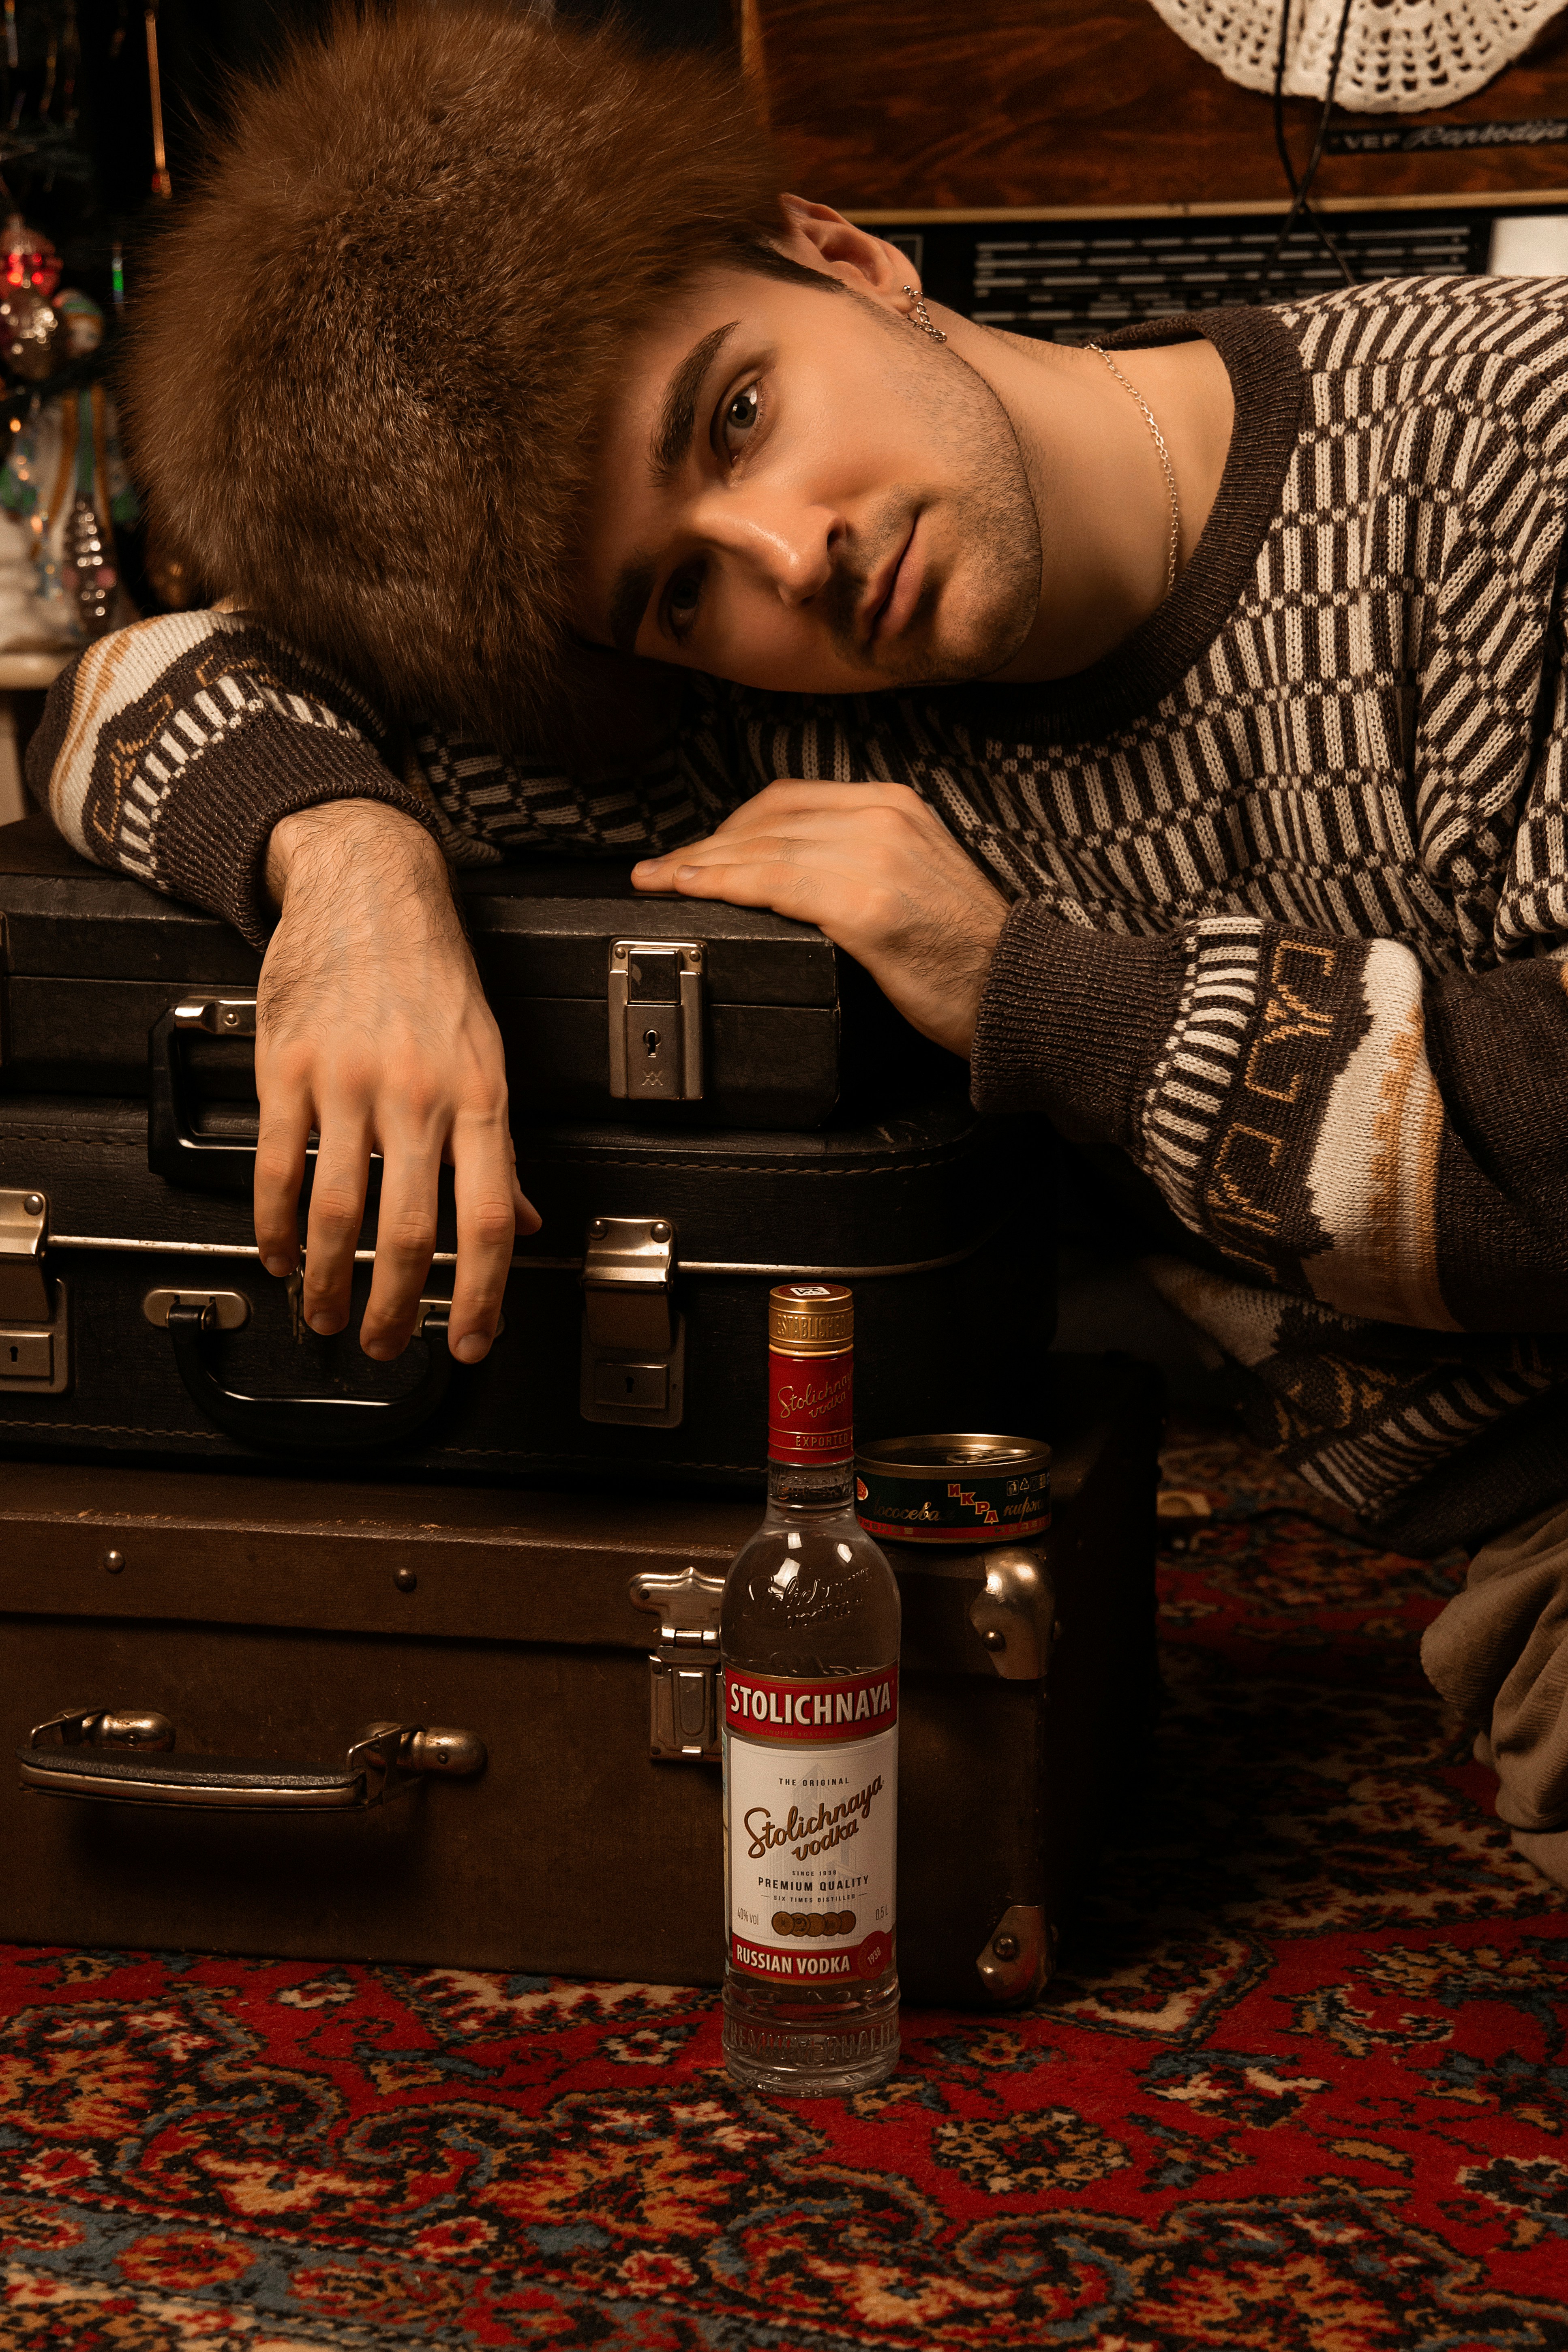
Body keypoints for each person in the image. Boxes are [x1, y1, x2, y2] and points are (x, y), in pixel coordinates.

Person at [25, 2, 1568, 1880]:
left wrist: (1032, 986)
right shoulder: (746, 728)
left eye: (736, 412)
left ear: (840, 252)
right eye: (674, 587)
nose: (782, 556)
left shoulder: (1511, 442)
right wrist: (354, 873)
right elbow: (119, 693)